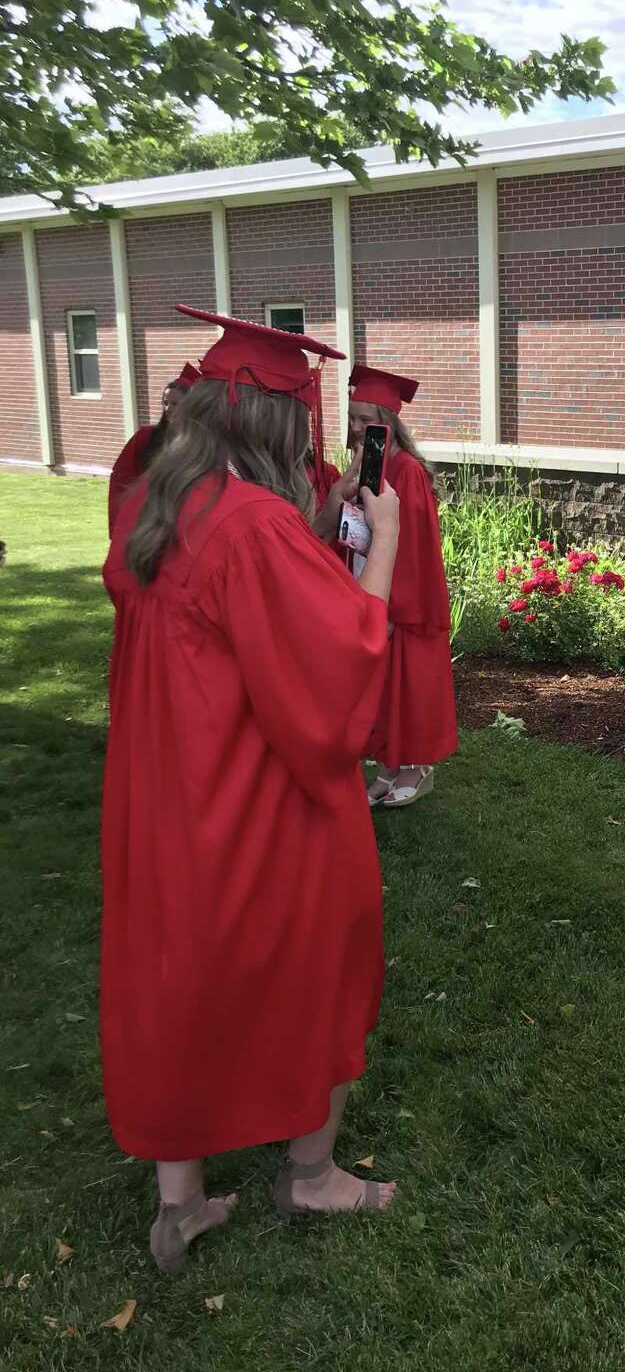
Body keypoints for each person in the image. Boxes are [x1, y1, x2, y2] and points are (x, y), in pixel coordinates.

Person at [102, 306, 403, 1276]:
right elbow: (337, 659)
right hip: (255, 790)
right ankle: (311, 1173)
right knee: (323, 948)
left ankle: (180, 1204)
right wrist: (382, 541)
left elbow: (236, 606)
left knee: (174, 975)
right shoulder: (255, 527)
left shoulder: (160, 501)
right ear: (279, 424)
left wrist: (316, 531)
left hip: (167, 794)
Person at [315, 362, 456, 810]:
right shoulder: (368, 464)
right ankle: (388, 767)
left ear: (389, 421)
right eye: (352, 417)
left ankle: (417, 768)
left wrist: (393, 607)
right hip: (365, 578)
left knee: (405, 685)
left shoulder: (407, 470)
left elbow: (412, 544)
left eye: (366, 420)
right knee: (377, 688)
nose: (356, 428)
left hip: (402, 597)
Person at [106, 363, 199, 535]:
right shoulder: (146, 437)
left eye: (175, 403)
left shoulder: (201, 442)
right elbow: (122, 477)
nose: (169, 409)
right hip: (149, 518)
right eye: (165, 403)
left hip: (185, 520)